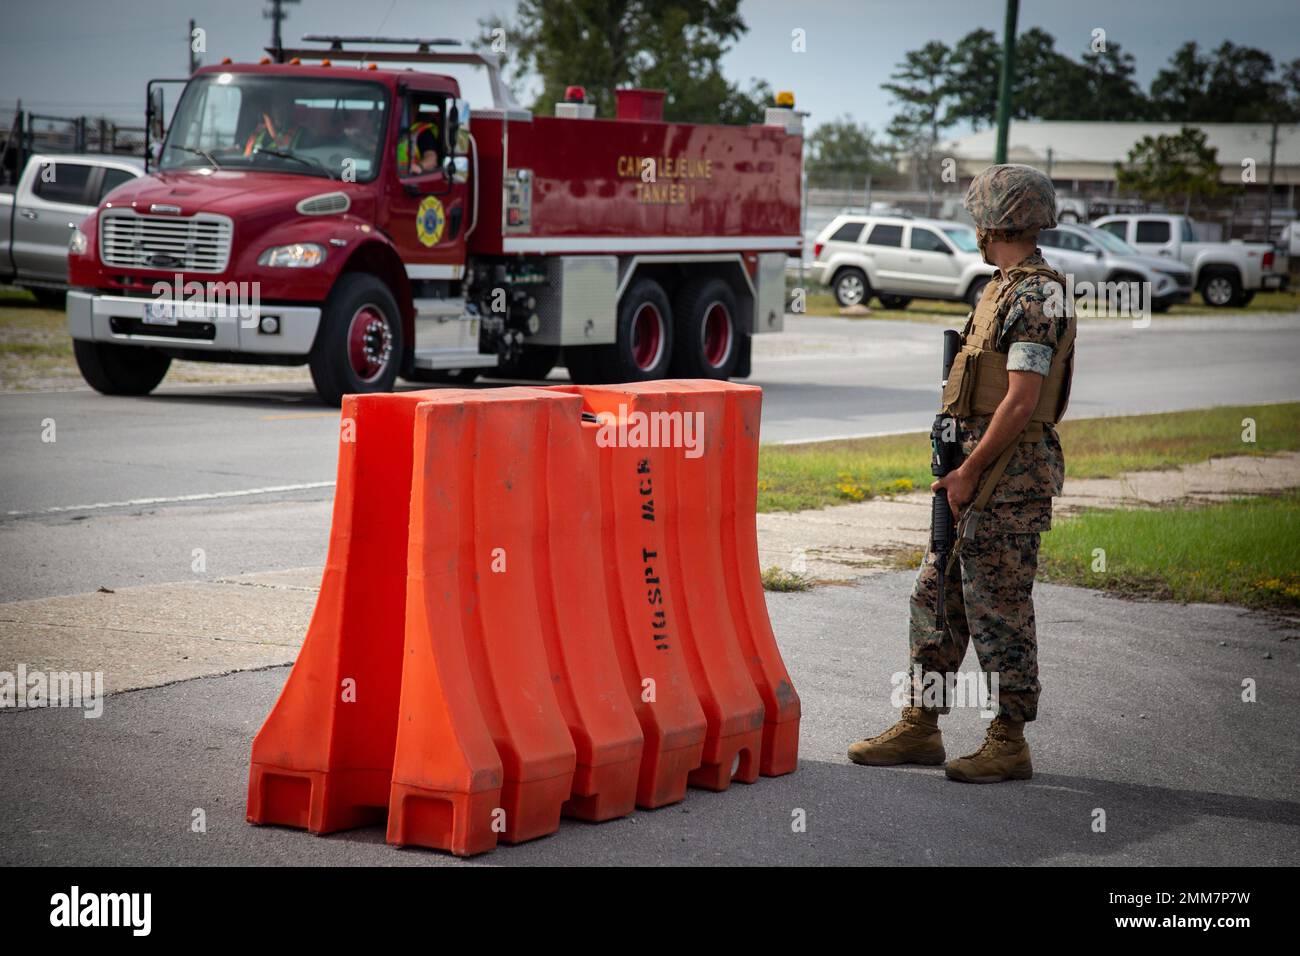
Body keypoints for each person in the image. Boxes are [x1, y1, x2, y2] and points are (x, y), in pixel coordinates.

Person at [848, 164, 1076, 784]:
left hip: (1007, 477)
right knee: (937, 593)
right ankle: (921, 724)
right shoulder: (999, 286)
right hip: (970, 469)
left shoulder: (1037, 295)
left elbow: (1023, 398)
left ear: (993, 221)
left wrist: (971, 470)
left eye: (978, 216)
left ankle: (1008, 740)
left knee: (997, 605)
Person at [397, 111, 441, 176]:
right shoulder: (391, 131)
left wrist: (419, 167)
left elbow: (432, 160)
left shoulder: (423, 133)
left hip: (411, 180)